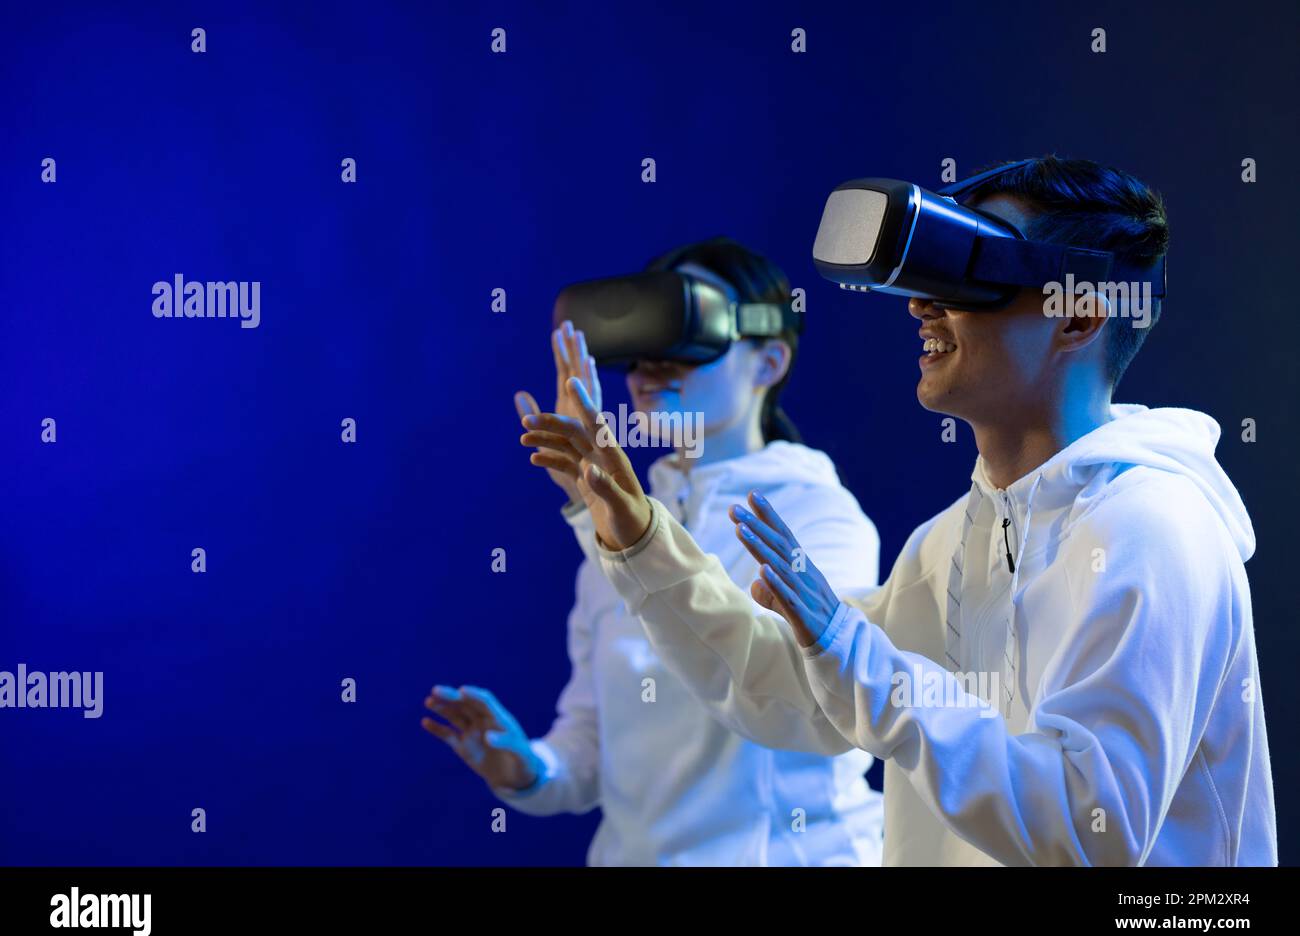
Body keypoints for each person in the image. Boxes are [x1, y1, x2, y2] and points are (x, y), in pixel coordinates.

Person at [520, 158, 1278, 866]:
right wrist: (639, 539)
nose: (921, 305)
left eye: (966, 277)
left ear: (1078, 316)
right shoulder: (948, 544)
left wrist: (857, 654)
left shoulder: (1151, 526)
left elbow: (1089, 823)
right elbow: (785, 690)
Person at [424, 238, 885, 866]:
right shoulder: (617, 526)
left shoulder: (819, 518)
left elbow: (817, 706)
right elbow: (592, 745)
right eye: (638, 345)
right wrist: (529, 768)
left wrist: (617, 530)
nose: (650, 364)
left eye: (683, 332)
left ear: (769, 361)